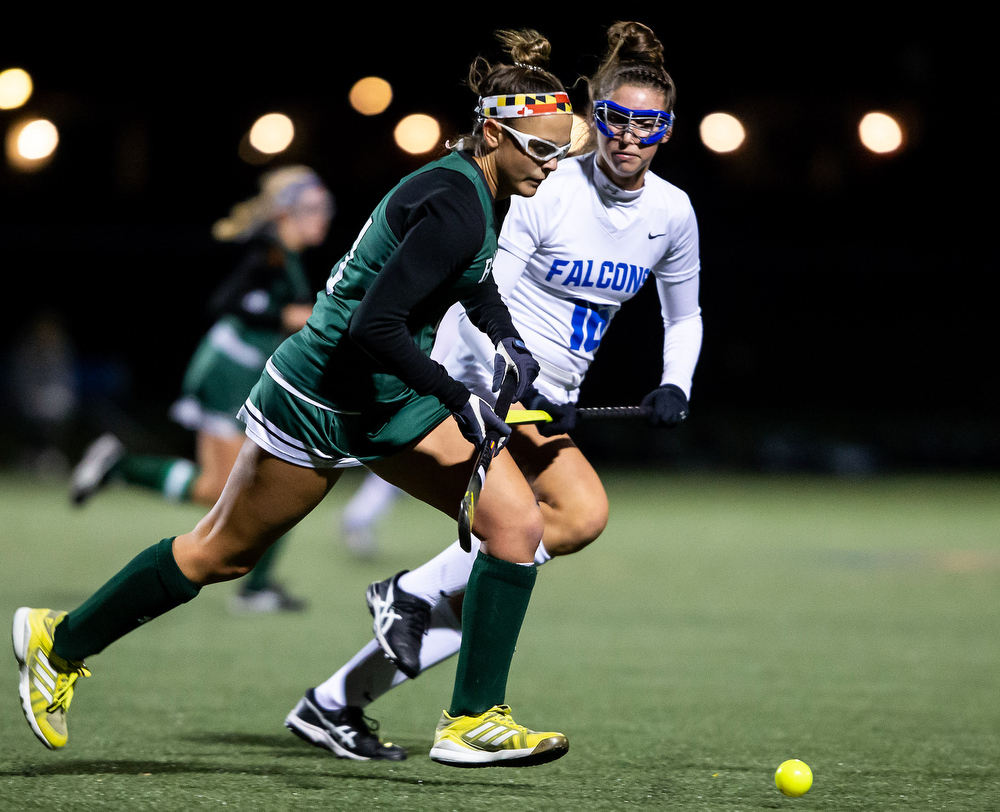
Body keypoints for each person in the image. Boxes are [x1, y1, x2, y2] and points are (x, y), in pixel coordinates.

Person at [13, 28, 576, 768]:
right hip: (320, 394)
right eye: (542, 149)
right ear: (496, 132)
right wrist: (458, 395)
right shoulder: (457, 202)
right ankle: (61, 642)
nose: (553, 165)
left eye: (563, 153)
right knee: (221, 553)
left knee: (514, 522)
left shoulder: (478, 186)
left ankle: (473, 718)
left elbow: (468, 279)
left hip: (386, 395)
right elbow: (375, 325)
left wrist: (508, 342)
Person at [294, 20, 702, 755]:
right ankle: (429, 651)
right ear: (591, 120)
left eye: (650, 123)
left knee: (574, 520)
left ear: (668, 130)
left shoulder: (672, 213)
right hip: (485, 380)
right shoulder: (549, 186)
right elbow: (487, 290)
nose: (630, 137)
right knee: (522, 535)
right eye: (615, 119)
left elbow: (685, 312)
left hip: (547, 397)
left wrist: (676, 383)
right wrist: (499, 384)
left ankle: (341, 692)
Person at [69, 166, 334, 613]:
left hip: (231, 372)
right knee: (270, 484)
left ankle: (119, 468)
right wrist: (284, 315)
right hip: (229, 373)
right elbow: (226, 302)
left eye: (326, 208)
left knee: (219, 487)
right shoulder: (269, 254)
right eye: (312, 207)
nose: (322, 216)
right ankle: (255, 590)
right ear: (285, 213)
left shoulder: (284, 257)